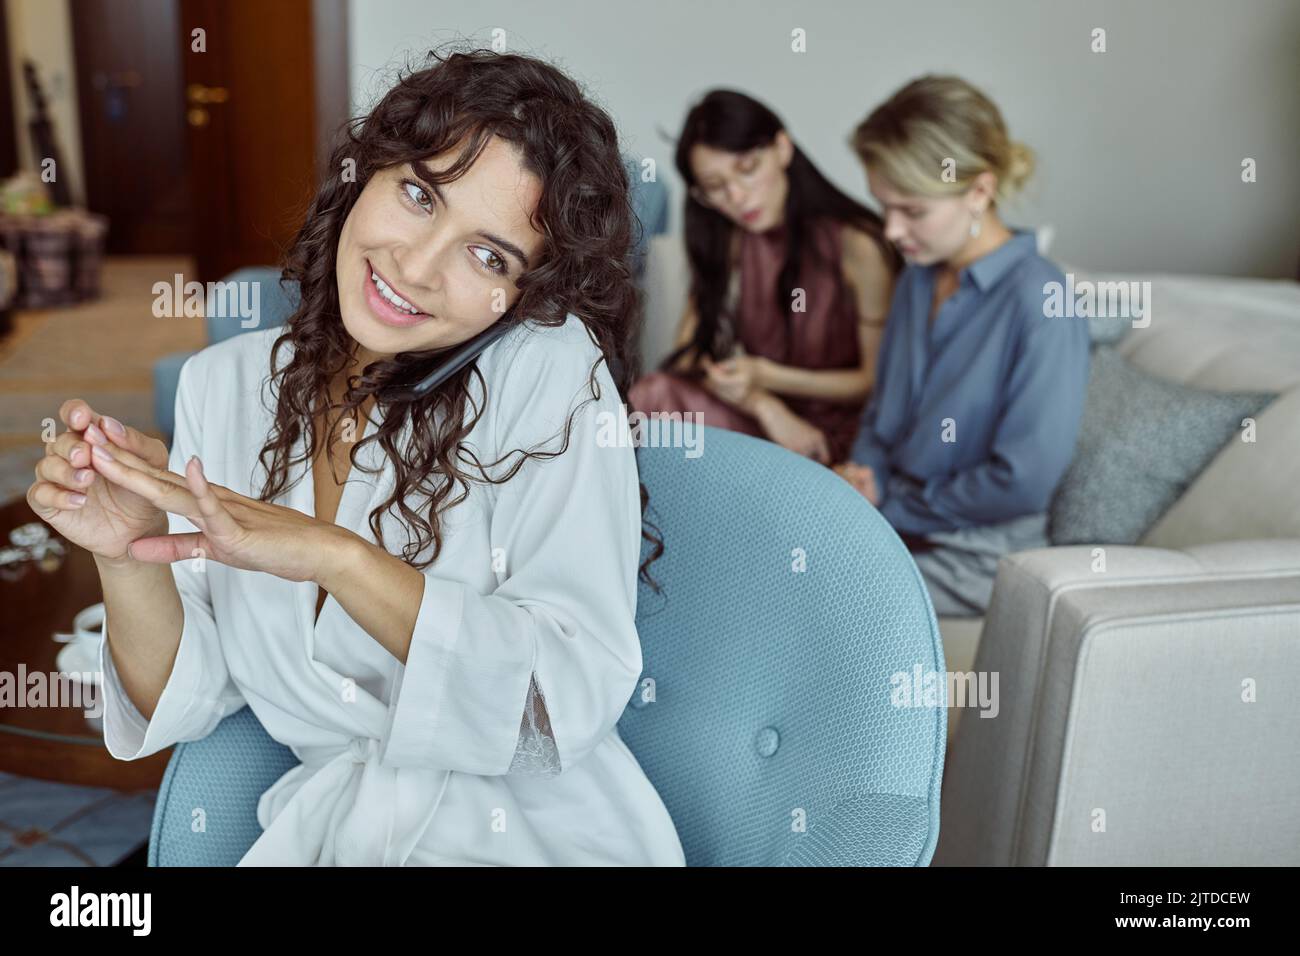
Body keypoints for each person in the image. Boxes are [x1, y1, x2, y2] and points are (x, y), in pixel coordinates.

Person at [26, 49, 685, 867]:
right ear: (362, 175)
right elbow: (181, 701)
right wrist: (128, 555)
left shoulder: (548, 371)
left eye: (489, 256)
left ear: (526, 296)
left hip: (535, 839)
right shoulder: (224, 387)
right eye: (419, 195)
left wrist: (337, 558)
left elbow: (560, 707)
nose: (416, 265)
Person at [836, 75, 1090, 617]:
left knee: (812, 600)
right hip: (894, 525)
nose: (892, 231)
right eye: (884, 207)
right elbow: (884, 415)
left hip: (978, 554)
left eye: (913, 211)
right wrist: (863, 475)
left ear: (978, 190)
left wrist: (892, 505)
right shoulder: (918, 278)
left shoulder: (1042, 299)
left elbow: (1022, 479)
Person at [629, 90, 898, 464]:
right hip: (762, 419)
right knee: (654, 394)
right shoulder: (731, 239)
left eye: (747, 168)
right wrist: (762, 403)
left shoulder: (858, 244)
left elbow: (874, 382)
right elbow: (688, 356)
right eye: (715, 187)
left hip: (834, 436)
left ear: (783, 148)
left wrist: (767, 377)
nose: (737, 197)